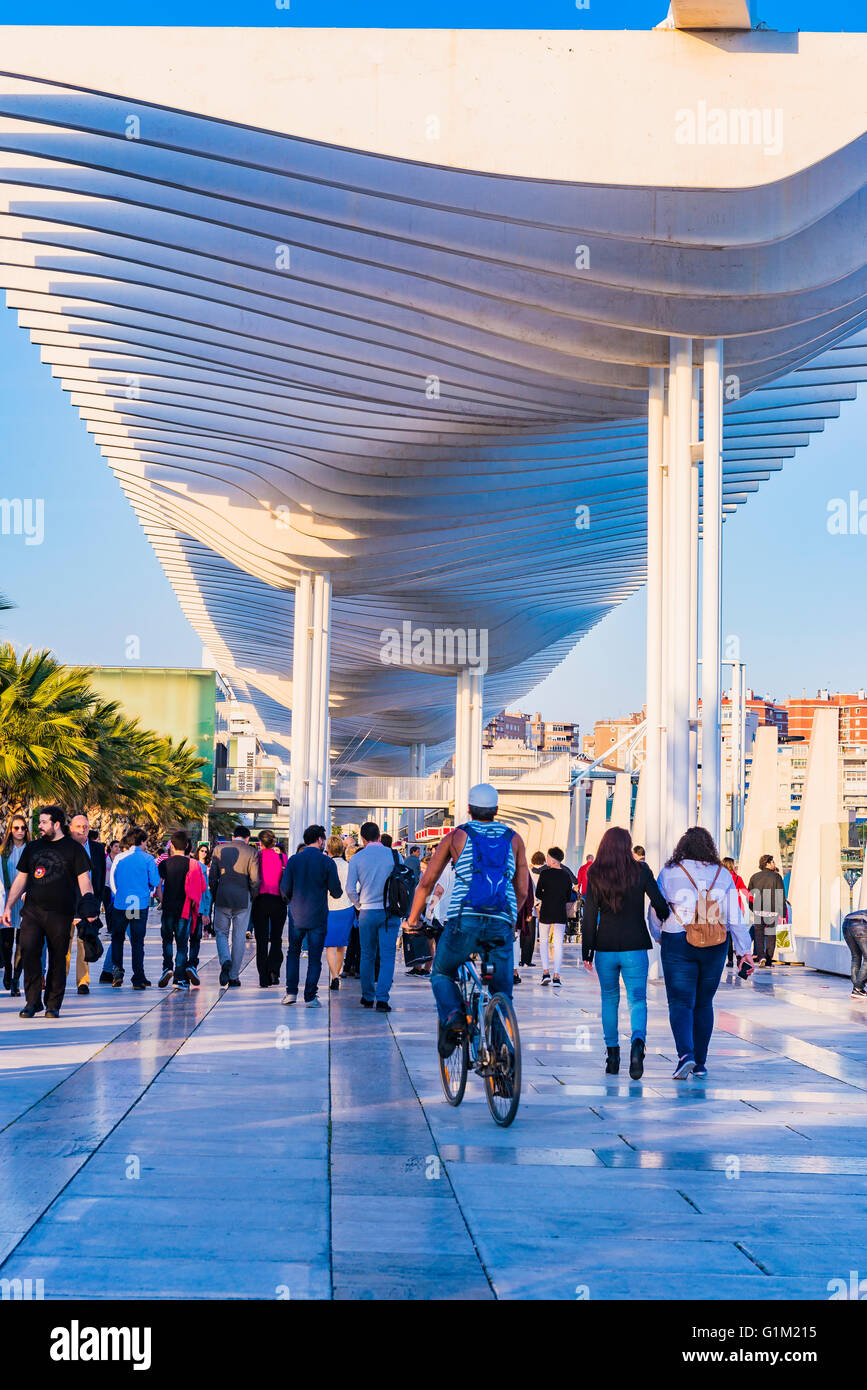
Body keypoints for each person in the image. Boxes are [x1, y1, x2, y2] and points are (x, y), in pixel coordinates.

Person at [405, 783, 529, 1059]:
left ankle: (453, 1016)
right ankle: (503, 1061)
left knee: (441, 972)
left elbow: (427, 883)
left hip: (465, 919)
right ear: (496, 810)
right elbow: (522, 890)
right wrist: (509, 916)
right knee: (502, 990)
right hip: (501, 922)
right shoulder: (514, 839)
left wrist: (413, 919)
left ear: (469, 809)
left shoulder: (457, 836)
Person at [650, 826, 753, 1080]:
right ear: (710, 847)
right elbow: (735, 916)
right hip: (715, 944)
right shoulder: (723, 873)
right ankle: (701, 1063)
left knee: (680, 1001)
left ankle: (686, 1055)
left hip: (678, 939)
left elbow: (656, 907)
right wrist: (744, 952)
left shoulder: (671, 871)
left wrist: (659, 934)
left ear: (682, 846)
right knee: (704, 1002)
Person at [581, 826, 671, 1078]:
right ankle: (637, 1046)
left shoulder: (595, 872)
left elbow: (589, 916)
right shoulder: (640, 870)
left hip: (605, 947)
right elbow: (659, 902)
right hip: (635, 946)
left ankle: (612, 1056)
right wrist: (664, 918)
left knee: (609, 999)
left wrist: (586, 951)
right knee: (637, 1000)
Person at [1, 805, 94, 1018]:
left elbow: (84, 881)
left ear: (57, 824)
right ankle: (32, 1002)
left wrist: (89, 905)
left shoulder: (74, 849)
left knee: (57, 958)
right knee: (29, 951)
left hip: (61, 914)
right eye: (39, 822)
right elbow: (21, 879)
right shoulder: (32, 848)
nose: (39, 826)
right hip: (32, 911)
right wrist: (8, 906)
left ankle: (53, 1004)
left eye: (43, 822)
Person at [345, 821, 407, 1012]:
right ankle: (382, 999)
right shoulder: (396, 856)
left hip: (367, 911)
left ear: (363, 839)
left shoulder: (357, 858)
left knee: (367, 955)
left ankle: (367, 996)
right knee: (388, 956)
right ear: (379, 837)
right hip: (390, 913)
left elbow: (349, 889)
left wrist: (359, 904)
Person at [280, 824, 342, 1006]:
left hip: (296, 914)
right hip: (318, 915)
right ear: (320, 840)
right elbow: (336, 891)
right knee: (314, 957)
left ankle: (291, 993)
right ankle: (310, 996)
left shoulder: (293, 860)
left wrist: (291, 902)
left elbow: (284, 889)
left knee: (293, 952)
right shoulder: (327, 862)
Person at [209, 824, 259, 987]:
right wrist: (252, 896)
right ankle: (233, 976)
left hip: (223, 896)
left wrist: (216, 894)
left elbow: (213, 876)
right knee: (238, 936)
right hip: (243, 897)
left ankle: (225, 960)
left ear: (232, 837)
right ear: (247, 838)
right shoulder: (251, 852)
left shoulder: (218, 850)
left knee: (221, 932)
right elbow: (255, 879)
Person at [109, 827, 160, 989]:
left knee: (117, 938)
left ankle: (117, 972)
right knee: (137, 942)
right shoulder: (147, 859)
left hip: (120, 902)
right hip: (137, 904)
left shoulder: (119, 858)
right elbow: (155, 880)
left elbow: (112, 880)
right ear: (142, 841)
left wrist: (118, 894)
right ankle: (138, 978)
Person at [66, 812, 106, 996]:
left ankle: (83, 982)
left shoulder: (98, 849)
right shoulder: (64, 847)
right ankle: (59, 978)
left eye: (85, 826)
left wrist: (96, 903)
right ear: (70, 829)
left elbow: (99, 879)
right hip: (66, 904)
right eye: (78, 826)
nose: (83, 829)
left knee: (85, 943)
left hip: (88, 904)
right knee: (62, 945)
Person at [157, 830, 196, 990]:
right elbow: (194, 890)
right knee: (181, 944)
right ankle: (179, 978)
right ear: (187, 846)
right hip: (184, 909)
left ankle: (167, 967)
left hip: (168, 908)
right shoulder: (191, 864)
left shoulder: (164, 864)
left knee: (167, 940)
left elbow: (158, 884)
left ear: (171, 845)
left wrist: (162, 899)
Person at [251, 829, 287, 987]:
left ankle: (263, 977)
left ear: (260, 842)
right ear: (274, 842)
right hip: (278, 900)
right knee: (276, 938)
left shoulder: (256, 857)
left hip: (260, 900)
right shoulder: (281, 857)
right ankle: (274, 970)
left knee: (261, 940)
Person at [534, 846, 574, 987]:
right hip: (560, 912)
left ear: (551, 859)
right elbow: (569, 896)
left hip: (546, 911)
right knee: (558, 944)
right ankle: (556, 976)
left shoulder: (544, 874)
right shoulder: (566, 875)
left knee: (544, 942)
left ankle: (546, 973)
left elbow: (538, 894)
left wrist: (547, 896)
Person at [1, 814, 29, 995]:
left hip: (26, 899)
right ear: (10, 829)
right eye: (16, 828)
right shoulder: (3, 852)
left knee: (22, 942)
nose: (19, 831)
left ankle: (16, 978)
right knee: (6, 942)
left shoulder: (31, 850)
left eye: (22, 828)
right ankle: (8, 971)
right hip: (7, 900)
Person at [324, 834, 355, 989]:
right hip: (346, 908)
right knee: (341, 945)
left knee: (329, 945)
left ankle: (334, 976)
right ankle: (337, 972)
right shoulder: (349, 866)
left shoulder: (326, 865)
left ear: (328, 849)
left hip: (329, 908)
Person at [747, 854, 786, 967]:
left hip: (758, 910)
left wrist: (752, 907)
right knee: (771, 935)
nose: (774, 864)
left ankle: (761, 957)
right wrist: (782, 913)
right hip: (772, 911)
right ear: (767, 863)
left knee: (758, 935)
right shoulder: (776, 877)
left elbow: (749, 895)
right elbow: (781, 895)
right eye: (772, 862)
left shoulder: (754, 877)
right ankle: (768, 960)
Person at [722, 856, 749, 966]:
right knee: (737, 935)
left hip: (723, 910)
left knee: (727, 936)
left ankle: (730, 960)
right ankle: (739, 958)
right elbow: (746, 892)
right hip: (737, 907)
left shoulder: (720, 878)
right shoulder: (738, 878)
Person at [841, 908, 867, 999]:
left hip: (846, 923)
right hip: (860, 923)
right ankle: (858, 988)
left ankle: (857, 989)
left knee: (856, 956)